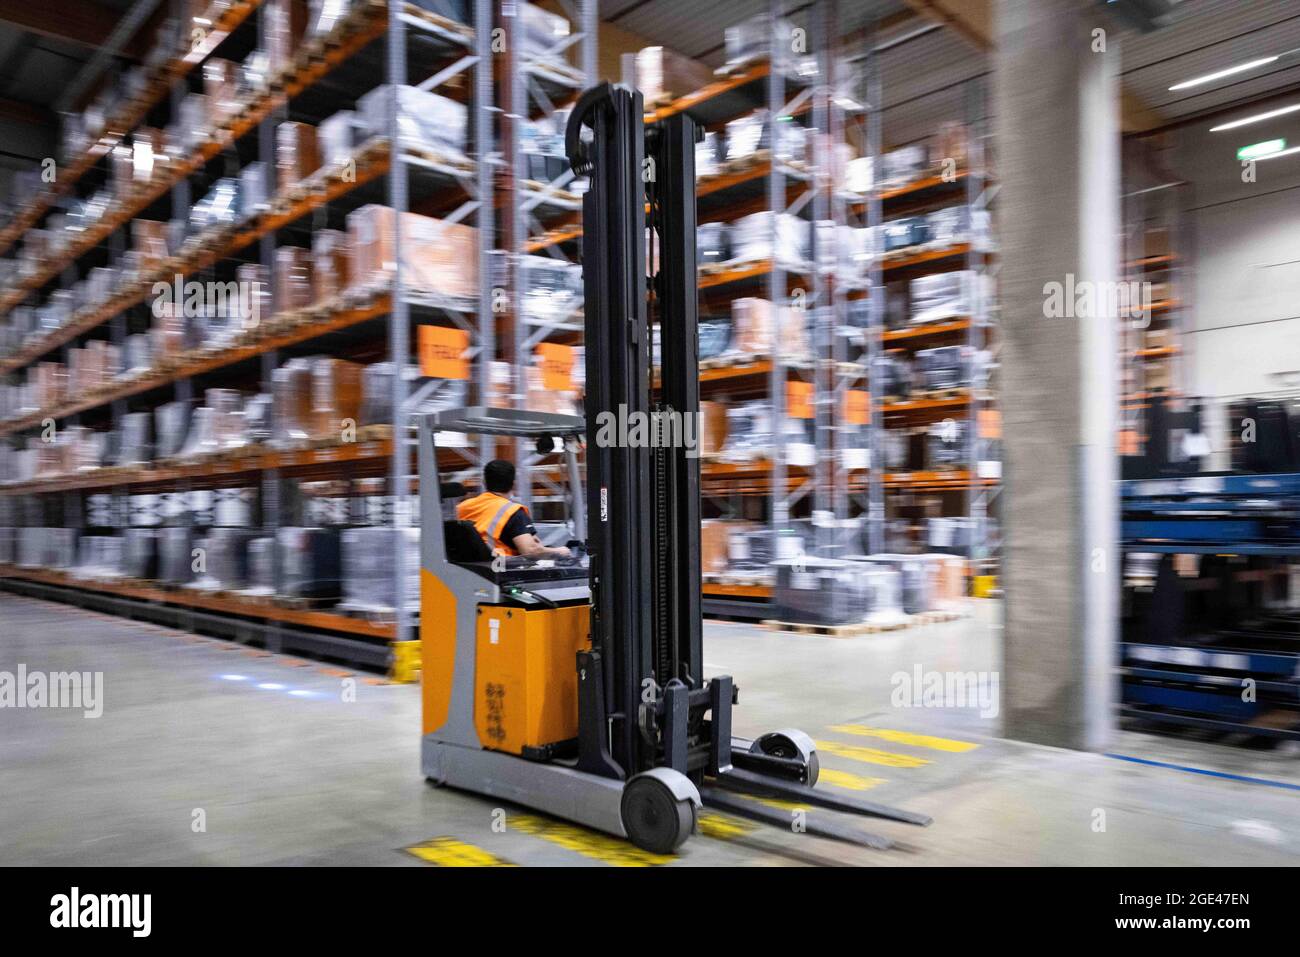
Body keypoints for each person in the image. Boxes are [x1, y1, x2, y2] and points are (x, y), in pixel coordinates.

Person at [457, 459, 572, 560]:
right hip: (500, 571)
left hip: (466, 569)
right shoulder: (512, 511)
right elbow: (531, 551)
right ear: (513, 484)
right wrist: (559, 551)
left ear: (484, 482)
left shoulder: (461, 507)